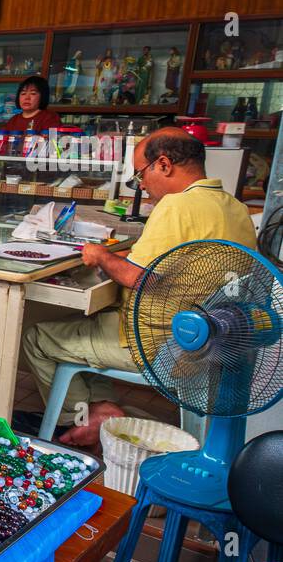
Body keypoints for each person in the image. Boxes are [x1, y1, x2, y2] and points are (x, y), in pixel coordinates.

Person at [21, 128, 258, 447]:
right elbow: (173, 259)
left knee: (39, 337)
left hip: (157, 343)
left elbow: (137, 277)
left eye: (140, 174)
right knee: (87, 327)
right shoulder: (235, 208)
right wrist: (119, 256)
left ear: (164, 164)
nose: (142, 185)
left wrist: (102, 255)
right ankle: (100, 410)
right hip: (208, 339)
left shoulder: (176, 206)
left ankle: (80, 420)